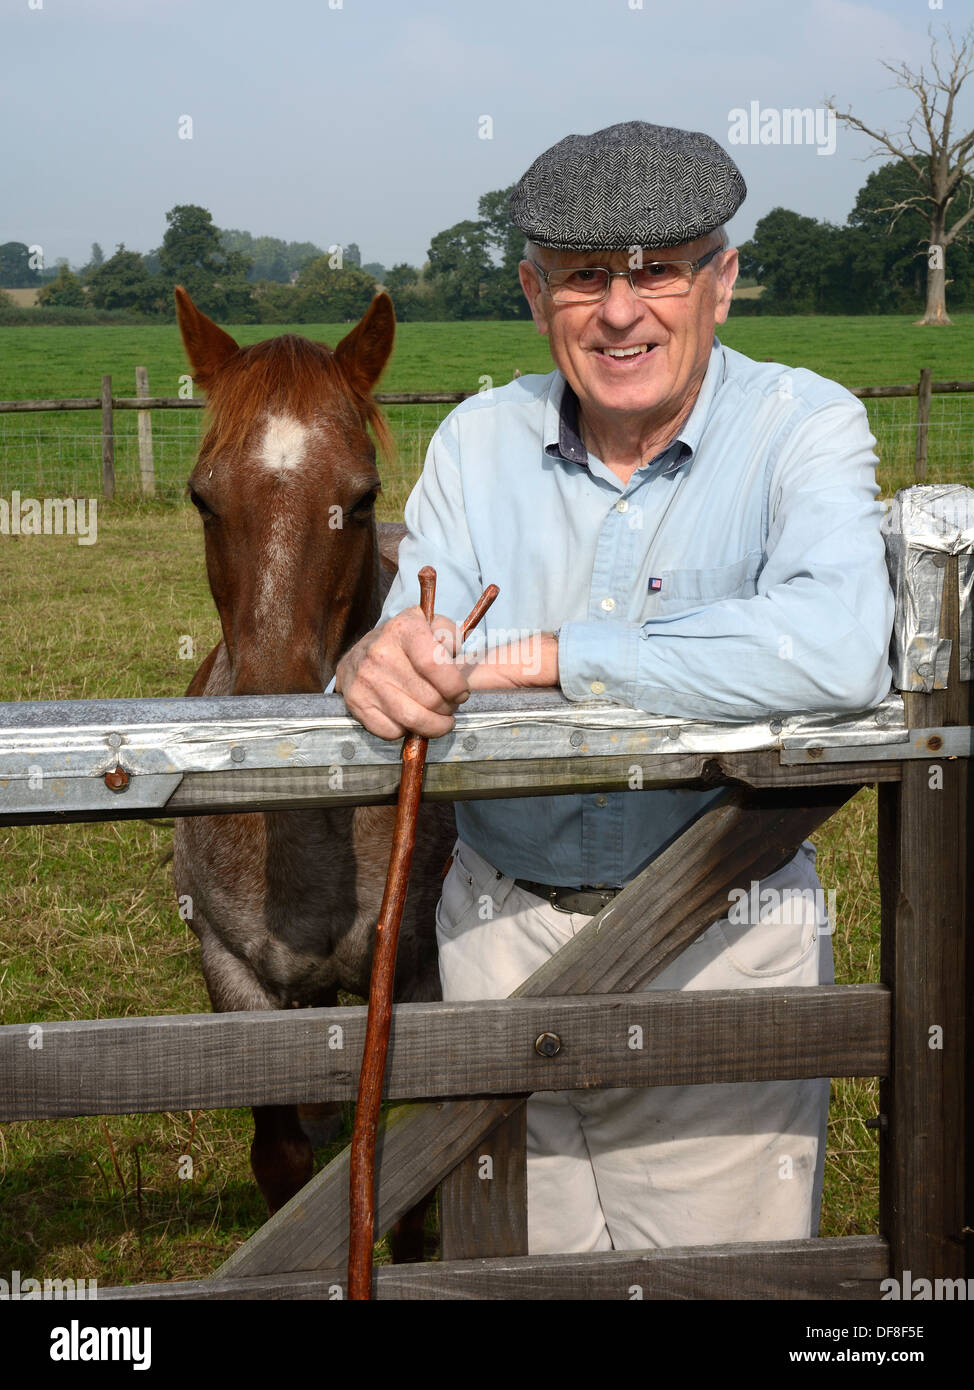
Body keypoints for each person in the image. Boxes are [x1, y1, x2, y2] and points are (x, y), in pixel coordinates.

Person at [335, 120, 894, 1254]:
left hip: (720, 940)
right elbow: (419, 634)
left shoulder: (803, 425)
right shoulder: (476, 441)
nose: (621, 309)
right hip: (495, 934)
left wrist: (560, 655)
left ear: (721, 283)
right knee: (510, 1276)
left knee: (710, 1284)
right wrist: (377, 658)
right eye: (585, 275)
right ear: (536, 295)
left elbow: (838, 644)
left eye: (657, 269)